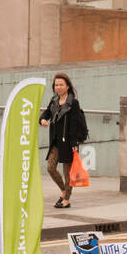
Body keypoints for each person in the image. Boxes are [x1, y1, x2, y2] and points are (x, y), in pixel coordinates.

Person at [39, 72, 87, 209]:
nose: (58, 87)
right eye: (56, 85)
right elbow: (47, 112)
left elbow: (74, 125)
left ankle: (66, 199)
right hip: (55, 141)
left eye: (61, 85)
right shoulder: (54, 100)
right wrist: (42, 119)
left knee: (68, 173)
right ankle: (64, 190)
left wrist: (74, 144)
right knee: (50, 167)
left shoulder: (73, 103)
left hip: (68, 142)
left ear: (67, 86)